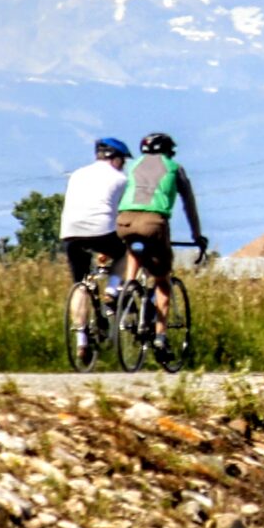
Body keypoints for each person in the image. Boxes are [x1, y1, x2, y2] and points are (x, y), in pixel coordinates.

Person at [115, 131, 205, 361]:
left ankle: (128, 285)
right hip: (153, 222)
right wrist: (197, 235)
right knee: (163, 280)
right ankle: (160, 337)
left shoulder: (132, 166)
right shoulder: (174, 168)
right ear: (168, 151)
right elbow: (189, 205)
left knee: (134, 246)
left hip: (125, 220)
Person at [58, 137, 131, 355]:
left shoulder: (77, 174)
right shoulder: (120, 179)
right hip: (101, 232)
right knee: (126, 253)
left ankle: (81, 340)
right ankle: (112, 290)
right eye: (123, 160)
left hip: (70, 232)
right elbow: (124, 212)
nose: (124, 164)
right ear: (115, 159)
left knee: (81, 285)